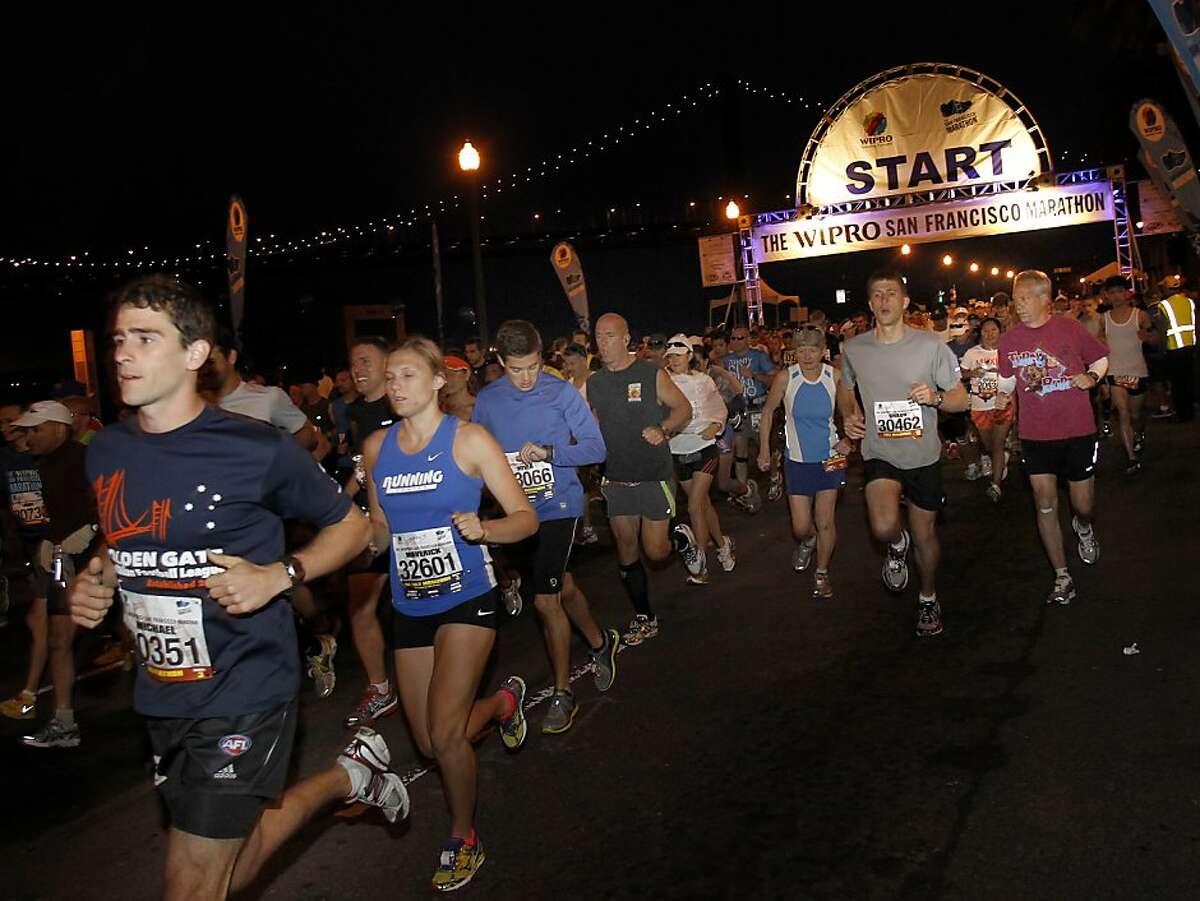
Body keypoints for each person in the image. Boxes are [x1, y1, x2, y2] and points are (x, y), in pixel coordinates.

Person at [70, 275, 407, 901]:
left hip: (246, 682)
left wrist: (279, 574)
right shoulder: (106, 450)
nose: (121, 353)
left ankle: (347, 775)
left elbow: (354, 527)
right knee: (228, 864)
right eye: (119, 338)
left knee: (193, 883)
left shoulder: (254, 448)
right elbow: (120, 542)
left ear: (196, 353)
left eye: (145, 339)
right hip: (161, 690)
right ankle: (347, 776)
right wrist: (98, 578)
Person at [363, 336, 535, 891]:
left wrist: (486, 529)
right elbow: (379, 529)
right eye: (390, 378)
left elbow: (524, 518)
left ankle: (464, 835)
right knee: (429, 742)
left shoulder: (469, 440)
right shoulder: (375, 449)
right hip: (410, 603)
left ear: (439, 380)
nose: (396, 386)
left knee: (445, 733)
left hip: (467, 595)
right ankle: (503, 703)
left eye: (408, 375)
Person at [472, 320, 619, 734]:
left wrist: (551, 453)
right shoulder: (488, 401)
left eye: (534, 366)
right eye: (516, 369)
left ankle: (562, 692)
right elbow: (475, 456)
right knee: (560, 585)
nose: (526, 377)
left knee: (545, 600)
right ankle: (600, 643)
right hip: (516, 513)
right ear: (500, 362)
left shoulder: (560, 392)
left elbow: (596, 447)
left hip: (559, 506)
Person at [838, 270, 969, 637]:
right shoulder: (854, 349)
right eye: (877, 295)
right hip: (879, 450)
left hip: (923, 455)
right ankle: (897, 545)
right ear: (869, 304)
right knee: (882, 525)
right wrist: (850, 415)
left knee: (925, 535)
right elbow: (846, 389)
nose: (884, 301)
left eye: (891, 294)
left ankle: (928, 597)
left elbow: (961, 399)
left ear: (905, 301)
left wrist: (937, 398)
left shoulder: (930, 346)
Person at [996, 270, 1109, 606]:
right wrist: (1000, 396)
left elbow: (1101, 358)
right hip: (1035, 434)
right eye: (1016, 299)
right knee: (1045, 504)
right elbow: (1006, 381)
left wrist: (1091, 376)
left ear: (1046, 298)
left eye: (1026, 298)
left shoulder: (1070, 328)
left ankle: (1083, 526)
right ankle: (1062, 575)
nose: (1020, 306)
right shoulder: (1009, 340)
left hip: (1078, 431)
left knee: (1083, 504)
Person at [585, 313, 692, 645]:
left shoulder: (651, 374)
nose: (602, 342)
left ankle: (681, 540)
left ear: (626, 338)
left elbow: (683, 409)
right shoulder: (594, 382)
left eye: (609, 336)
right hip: (616, 479)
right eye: (598, 336)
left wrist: (664, 429)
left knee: (656, 551)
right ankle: (645, 617)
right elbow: (590, 424)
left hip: (652, 477)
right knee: (627, 551)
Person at [7, 401, 98, 748]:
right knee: (58, 638)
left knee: (133, 630)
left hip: (97, 563)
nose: (30, 437)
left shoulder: (85, 459)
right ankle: (64, 721)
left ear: (58, 428)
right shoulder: (39, 465)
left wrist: (90, 530)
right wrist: (48, 539)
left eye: (36, 430)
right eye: (27, 430)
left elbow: (112, 503)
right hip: (63, 561)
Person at [758, 326, 852, 599]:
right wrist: (764, 450)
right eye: (801, 350)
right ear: (793, 353)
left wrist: (849, 441)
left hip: (831, 457)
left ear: (824, 351)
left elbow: (854, 414)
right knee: (801, 526)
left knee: (825, 520)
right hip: (797, 459)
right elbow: (767, 412)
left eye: (813, 349)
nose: (807, 355)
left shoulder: (835, 377)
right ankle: (808, 541)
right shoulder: (786, 378)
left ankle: (821, 573)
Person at [342, 336, 400, 730]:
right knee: (359, 604)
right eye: (353, 363)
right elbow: (362, 471)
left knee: (418, 608)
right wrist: (336, 505)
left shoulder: (403, 403)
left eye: (365, 361)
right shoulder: (354, 412)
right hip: (372, 521)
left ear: (387, 365)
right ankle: (380, 688)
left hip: (410, 518)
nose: (357, 370)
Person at [662, 334, 735, 584]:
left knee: (694, 505)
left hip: (704, 448)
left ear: (689, 355)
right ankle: (722, 543)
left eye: (678, 355)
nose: (674, 360)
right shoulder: (663, 382)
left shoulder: (704, 381)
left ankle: (699, 565)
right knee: (703, 504)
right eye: (670, 356)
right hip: (677, 451)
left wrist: (716, 426)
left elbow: (719, 409)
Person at [203, 328, 330, 462]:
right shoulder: (192, 405)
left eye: (210, 360)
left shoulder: (267, 398)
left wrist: (276, 458)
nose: (202, 366)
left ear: (231, 357)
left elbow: (308, 435)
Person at [1101, 276, 1156, 473]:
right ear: (1107, 295)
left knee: (1135, 414)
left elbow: (1155, 339)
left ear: (1127, 293)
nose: (1116, 296)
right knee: (1123, 413)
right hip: (1115, 371)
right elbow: (1098, 347)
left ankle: (1139, 433)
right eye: (1112, 292)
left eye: (1119, 291)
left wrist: (1148, 337)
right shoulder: (1104, 319)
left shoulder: (1139, 315)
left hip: (1137, 370)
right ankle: (1131, 457)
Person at [720, 326, 777, 499]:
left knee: (765, 447)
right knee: (740, 452)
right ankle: (744, 490)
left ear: (748, 340)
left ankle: (775, 476)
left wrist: (754, 375)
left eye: (740, 338)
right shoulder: (725, 360)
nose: (736, 342)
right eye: (733, 338)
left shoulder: (758, 356)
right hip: (738, 411)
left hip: (758, 409)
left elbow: (775, 378)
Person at [960, 318, 1013, 501]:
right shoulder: (971, 353)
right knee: (989, 444)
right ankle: (1002, 457)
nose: (990, 334)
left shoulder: (1006, 352)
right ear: (980, 333)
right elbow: (960, 373)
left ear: (1000, 332)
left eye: (994, 330)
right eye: (985, 331)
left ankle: (996, 485)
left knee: (997, 444)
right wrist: (971, 373)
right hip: (979, 406)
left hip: (1002, 405)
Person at [1153, 288, 1196, 422]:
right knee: (1189, 381)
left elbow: (1162, 329)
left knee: (1178, 385)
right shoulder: (1189, 302)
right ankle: (1190, 411)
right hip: (1190, 346)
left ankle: (1182, 414)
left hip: (1174, 349)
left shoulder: (1163, 305)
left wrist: (1161, 350)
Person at [439, 355, 477, 421]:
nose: (447, 378)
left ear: (467, 374)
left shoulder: (478, 408)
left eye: (452, 374)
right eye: (443, 374)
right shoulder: (436, 406)